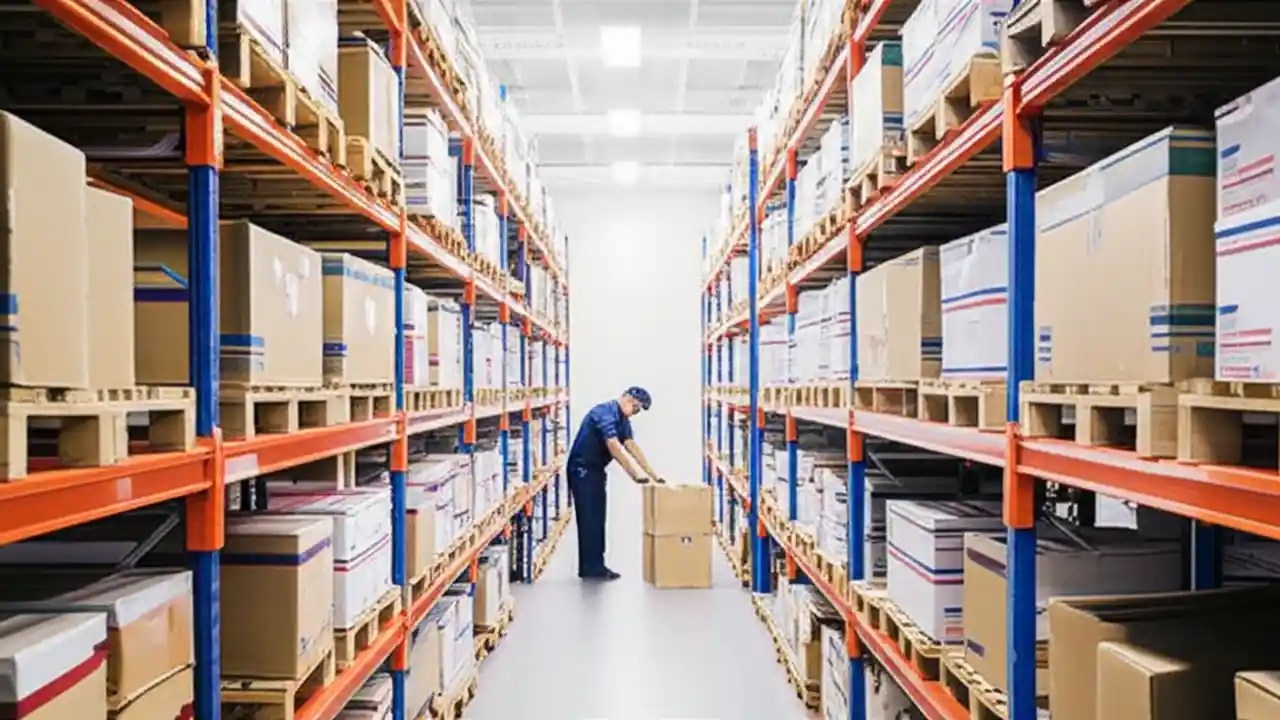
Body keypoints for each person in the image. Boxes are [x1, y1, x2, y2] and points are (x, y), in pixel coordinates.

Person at [566, 386, 662, 580]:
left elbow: (631, 446)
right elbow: (614, 446)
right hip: (581, 470)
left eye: (638, 410)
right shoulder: (604, 413)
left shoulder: (622, 420)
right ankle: (589, 568)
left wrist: (653, 474)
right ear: (627, 398)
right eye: (635, 408)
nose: (635, 413)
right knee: (589, 519)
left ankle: (596, 565)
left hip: (595, 471)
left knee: (598, 518)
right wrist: (634, 475)